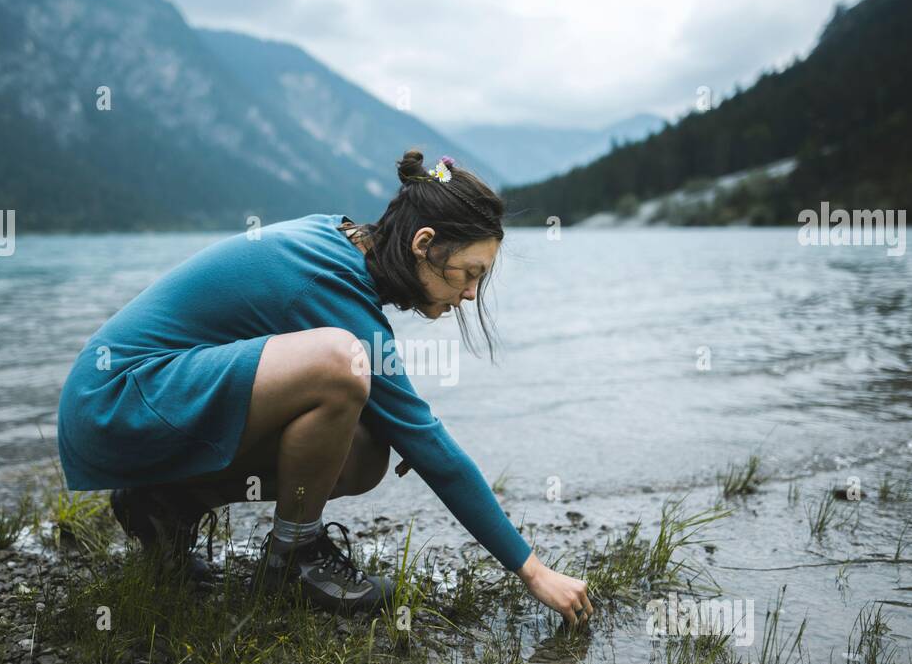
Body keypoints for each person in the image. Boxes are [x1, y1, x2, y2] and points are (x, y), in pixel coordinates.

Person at [56, 149, 592, 625]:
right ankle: (295, 560)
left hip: (147, 398)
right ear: (424, 243)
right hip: (116, 400)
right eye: (470, 272)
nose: (473, 294)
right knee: (342, 363)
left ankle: (164, 502)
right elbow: (431, 446)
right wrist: (533, 571)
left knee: (363, 452)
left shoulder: (341, 243)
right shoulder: (331, 285)